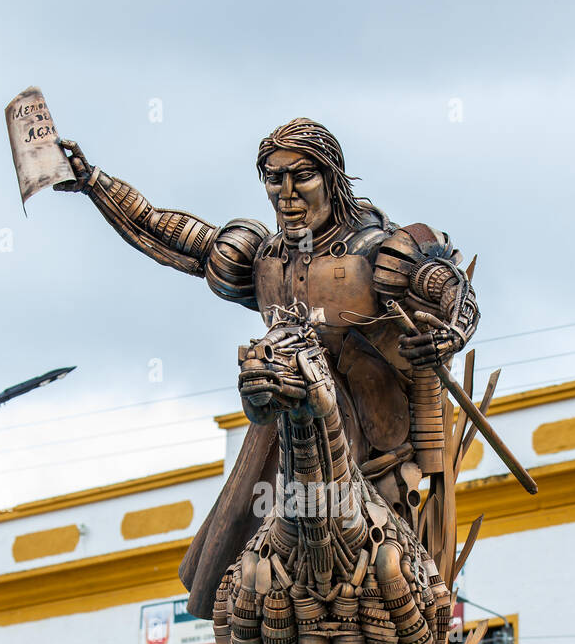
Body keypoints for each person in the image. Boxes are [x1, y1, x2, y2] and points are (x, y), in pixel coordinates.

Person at [55, 117, 480, 616]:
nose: (286, 192)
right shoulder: (263, 258)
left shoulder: (382, 251)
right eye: (273, 178)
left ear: (331, 177)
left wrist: (449, 332)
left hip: (380, 450)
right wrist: (94, 183)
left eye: (301, 176)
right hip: (285, 438)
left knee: (403, 577)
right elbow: (163, 231)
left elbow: (451, 290)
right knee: (251, 552)